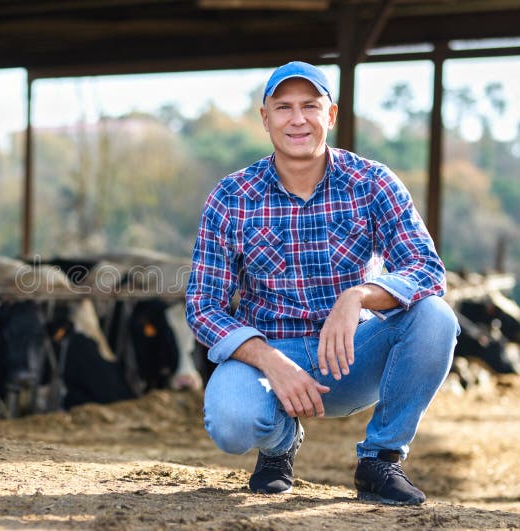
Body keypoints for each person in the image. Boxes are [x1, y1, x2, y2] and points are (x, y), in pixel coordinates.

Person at [185, 61, 459, 505]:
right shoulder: (231, 197)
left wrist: (359, 296)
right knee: (231, 422)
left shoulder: (371, 182)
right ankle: (279, 445)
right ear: (265, 117)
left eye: (310, 106)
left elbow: (426, 269)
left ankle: (379, 460)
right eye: (284, 107)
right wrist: (273, 362)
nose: (298, 119)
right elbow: (203, 307)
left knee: (435, 317)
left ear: (330, 116)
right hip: (268, 362)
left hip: (353, 355)